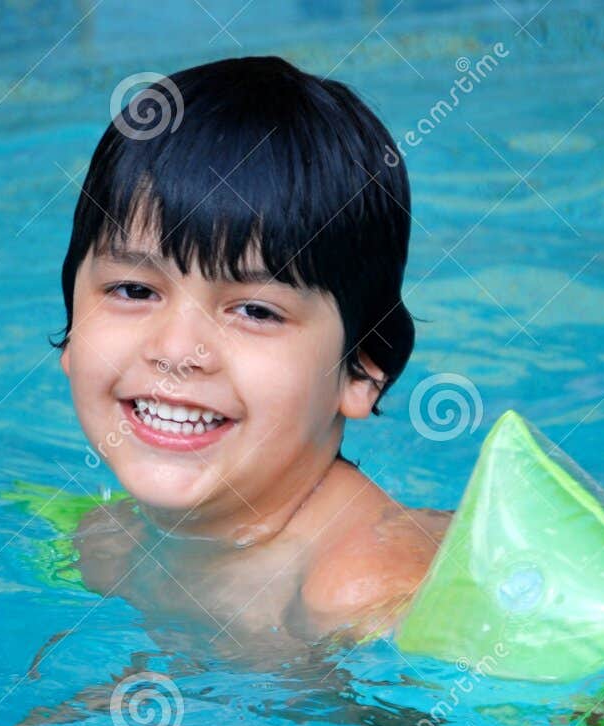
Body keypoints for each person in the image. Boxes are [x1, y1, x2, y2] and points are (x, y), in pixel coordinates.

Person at [53, 56, 449, 647]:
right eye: (134, 290)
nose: (177, 350)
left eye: (256, 310)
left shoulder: (368, 589)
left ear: (364, 369)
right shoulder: (106, 543)